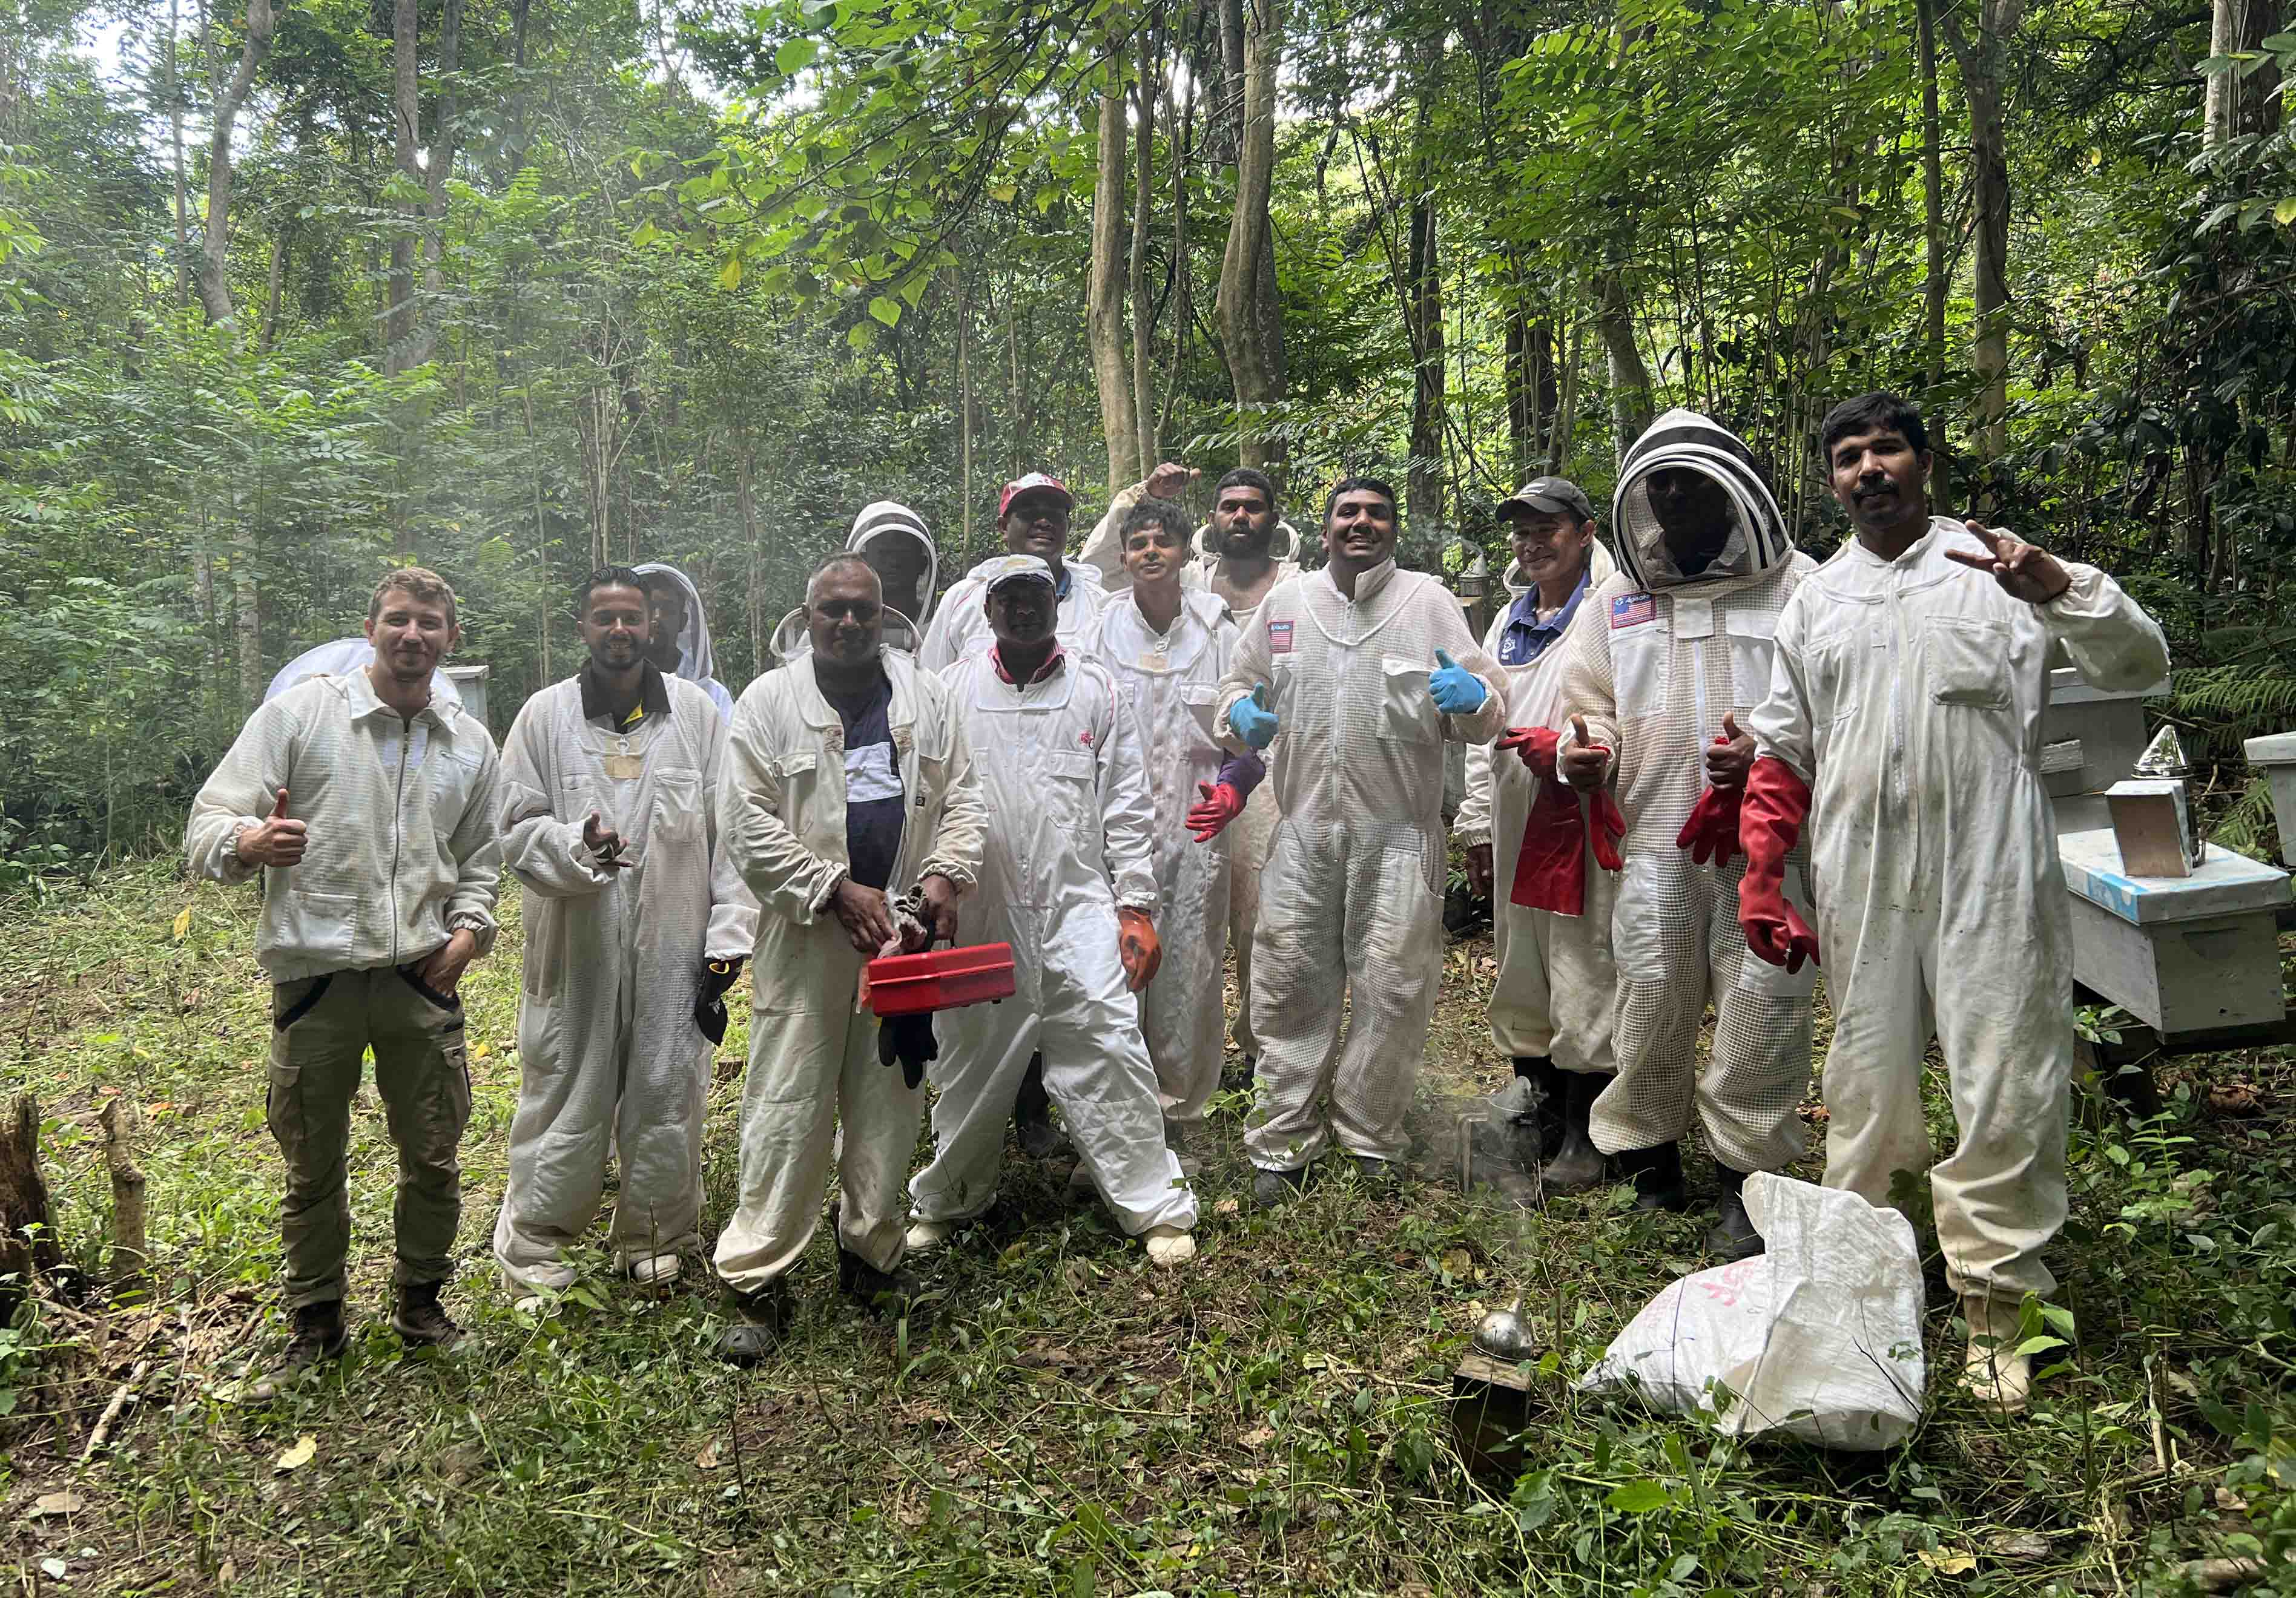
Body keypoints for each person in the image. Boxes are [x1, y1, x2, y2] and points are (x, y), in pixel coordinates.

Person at [1741, 392, 2169, 1413]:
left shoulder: (1997, 570)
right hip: (1860, 867)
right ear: (1831, 480)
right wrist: (1763, 865)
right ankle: (1859, 1282)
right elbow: (1781, 739)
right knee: (1864, 1079)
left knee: (2002, 1074)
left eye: (1885, 448)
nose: (1867, 468)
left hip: (1989, 861)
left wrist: (2056, 584)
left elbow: (2138, 662)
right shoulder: (1816, 598)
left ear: (1923, 464)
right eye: (1847, 456)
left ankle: (1999, 1308)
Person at [186, 567, 501, 1398]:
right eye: (398, 620)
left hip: (420, 980)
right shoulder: (303, 715)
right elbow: (207, 824)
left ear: (451, 639)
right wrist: (251, 843)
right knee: (311, 1160)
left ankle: (421, 1307)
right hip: (316, 979)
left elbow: (483, 859)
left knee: (433, 1153)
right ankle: (315, 1321)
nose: (413, 636)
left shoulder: (467, 740)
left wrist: (469, 934)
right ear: (370, 628)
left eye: (430, 623)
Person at [1549, 410, 1817, 1261]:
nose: (1671, 499)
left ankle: (1751, 1173)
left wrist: (1772, 751)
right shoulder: (1616, 602)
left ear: (1732, 487)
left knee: (1761, 1000)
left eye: (1689, 483)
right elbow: (1586, 711)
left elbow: (1832, 708)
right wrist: (1584, 756)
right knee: (1652, 988)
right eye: (1657, 484)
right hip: (1657, 834)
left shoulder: (1800, 588)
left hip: (1767, 843)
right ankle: (1643, 1149)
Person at [711, 554, 988, 1360]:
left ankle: (873, 1253)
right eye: (833, 610)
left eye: (862, 611)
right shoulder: (769, 704)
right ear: (808, 616)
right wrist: (831, 886)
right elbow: (745, 821)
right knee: (787, 1103)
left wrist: (945, 872)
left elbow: (963, 793)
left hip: (901, 935)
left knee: (890, 1100)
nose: (848, 623)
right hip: (806, 939)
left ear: (884, 616)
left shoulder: (925, 698)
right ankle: (758, 1282)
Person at [1215, 477, 1507, 1205]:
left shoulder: (1430, 602)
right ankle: (1282, 1140)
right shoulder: (1286, 605)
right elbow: (1234, 688)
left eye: (1377, 514)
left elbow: (1489, 707)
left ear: (1394, 529)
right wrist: (1240, 718)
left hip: (1400, 836)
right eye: (1348, 512)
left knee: (1394, 986)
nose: (1362, 523)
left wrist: (1476, 702)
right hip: (1304, 830)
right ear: (1324, 529)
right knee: (1289, 982)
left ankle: (1370, 1133)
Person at [907, 554, 1199, 1264]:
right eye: (1009, 598)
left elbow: (1129, 806)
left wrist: (1135, 906)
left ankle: (1153, 1205)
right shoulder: (950, 690)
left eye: (1036, 594)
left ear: (1055, 604)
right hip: (981, 911)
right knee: (972, 1054)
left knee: (1108, 1043)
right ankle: (950, 1198)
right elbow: (930, 801)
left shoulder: (1096, 688)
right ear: (988, 611)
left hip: (1077, 906)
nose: (1023, 608)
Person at [489, 568, 757, 1299]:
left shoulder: (698, 715)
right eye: (604, 617)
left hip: (676, 945)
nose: (619, 631)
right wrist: (577, 845)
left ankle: (655, 1232)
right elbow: (511, 831)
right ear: (582, 626)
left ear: (653, 626)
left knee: (669, 1087)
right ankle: (536, 1246)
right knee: (563, 1088)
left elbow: (730, 832)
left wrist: (730, 932)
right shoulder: (543, 718)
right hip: (575, 946)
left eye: (632, 618)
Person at [1077, 497, 1264, 1169]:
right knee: (1111, 966)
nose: (1151, 551)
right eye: (1139, 542)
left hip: (1196, 828)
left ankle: (1178, 1115)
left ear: (1188, 553)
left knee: (1189, 967)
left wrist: (1234, 785)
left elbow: (1250, 733)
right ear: (1123, 556)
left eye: (1164, 540)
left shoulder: (1220, 632)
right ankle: (1114, 1116)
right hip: (1111, 829)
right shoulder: (1097, 635)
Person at [1451, 477, 1620, 1189]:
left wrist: (1583, 754)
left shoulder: (1613, 609)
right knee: (1520, 961)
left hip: (1585, 813)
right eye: (1521, 529)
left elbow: (1626, 707)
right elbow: (1484, 733)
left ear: (1584, 532)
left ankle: (1589, 1132)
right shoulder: (1508, 621)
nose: (1532, 541)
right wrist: (1478, 822)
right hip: (1518, 812)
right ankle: (1537, 1110)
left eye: (1548, 527)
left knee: (1585, 962)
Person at [918, 475, 1112, 672]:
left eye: (1054, 515)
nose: (1044, 522)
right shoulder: (964, 600)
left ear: (1068, 527)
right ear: (1004, 527)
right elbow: (929, 686)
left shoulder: (1100, 606)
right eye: (1030, 514)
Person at [768, 501, 943, 663]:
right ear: (864, 560)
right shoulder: (826, 625)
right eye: (884, 554)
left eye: (902, 554)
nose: (893, 563)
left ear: (922, 563)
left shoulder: (939, 629)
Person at [632, 563, 736, 720]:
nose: (657, 617)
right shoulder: (607, 690)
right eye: (648, 608)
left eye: (668, 609)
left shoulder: (713, 696)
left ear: (683, 621)